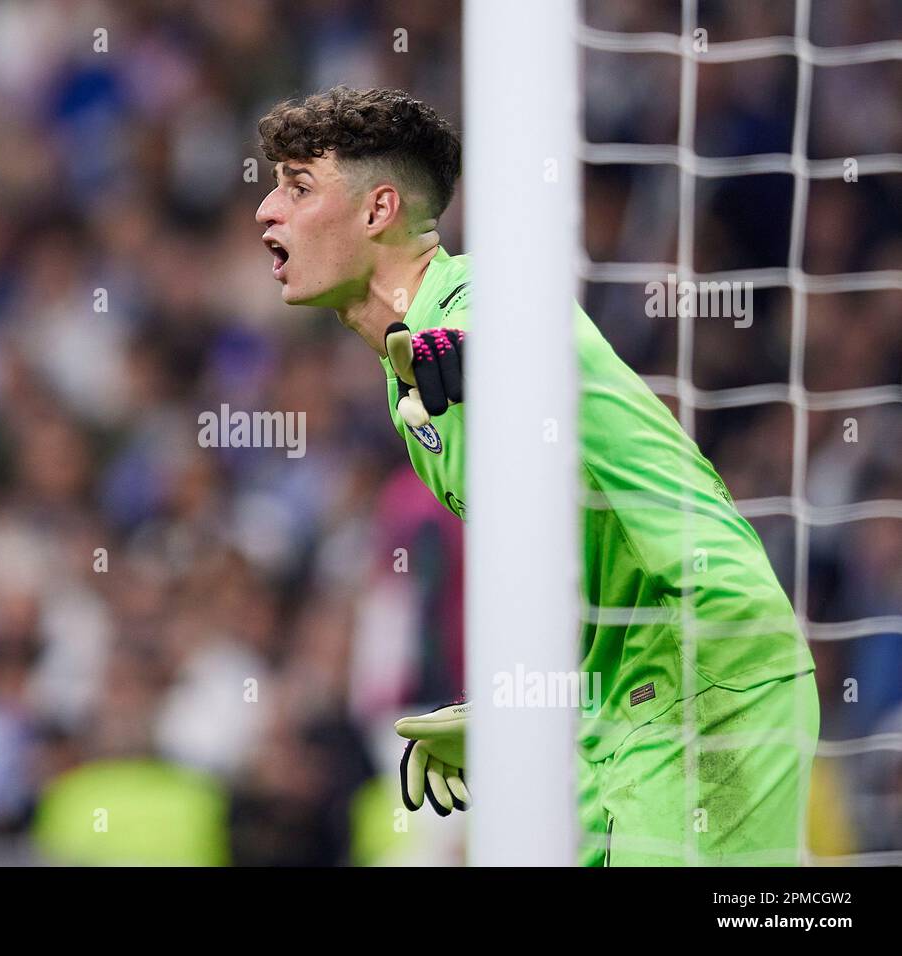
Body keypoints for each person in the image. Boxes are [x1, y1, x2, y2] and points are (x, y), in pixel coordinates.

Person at [254, 86, 818, 865]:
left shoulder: (475, 308)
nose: (266, 210)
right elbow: (565, 569)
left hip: (710, 666)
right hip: (617, 698)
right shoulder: (403, 386)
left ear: (379, 209)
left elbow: (519, 339)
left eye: (297, 186)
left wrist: (468, 352)